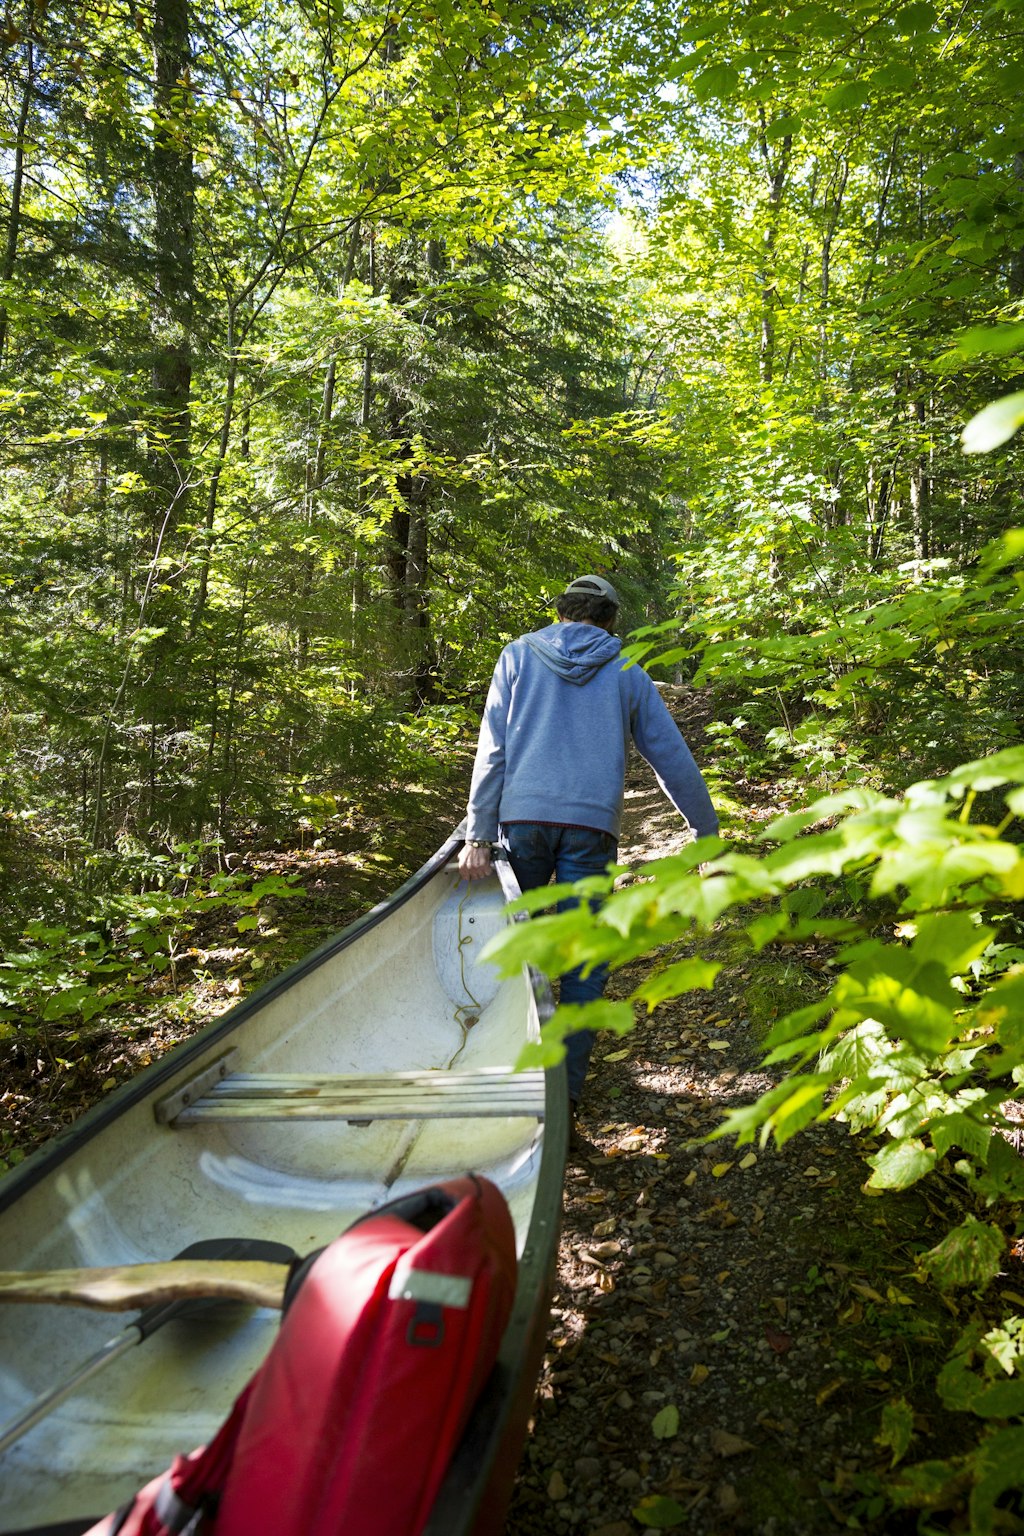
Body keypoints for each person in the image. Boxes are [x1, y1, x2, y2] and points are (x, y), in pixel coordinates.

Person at [458, 574, 718, 1128]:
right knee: (583, 965)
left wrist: (478, 833)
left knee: (514, 948)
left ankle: (505, 1071)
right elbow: (669, 754)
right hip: (591, 830)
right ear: (608, 620)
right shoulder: (626, 670)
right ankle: (563, 1099)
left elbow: (493, 748)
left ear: (562, 611)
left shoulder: (518, 656)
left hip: (520, 821)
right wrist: (706, 829)